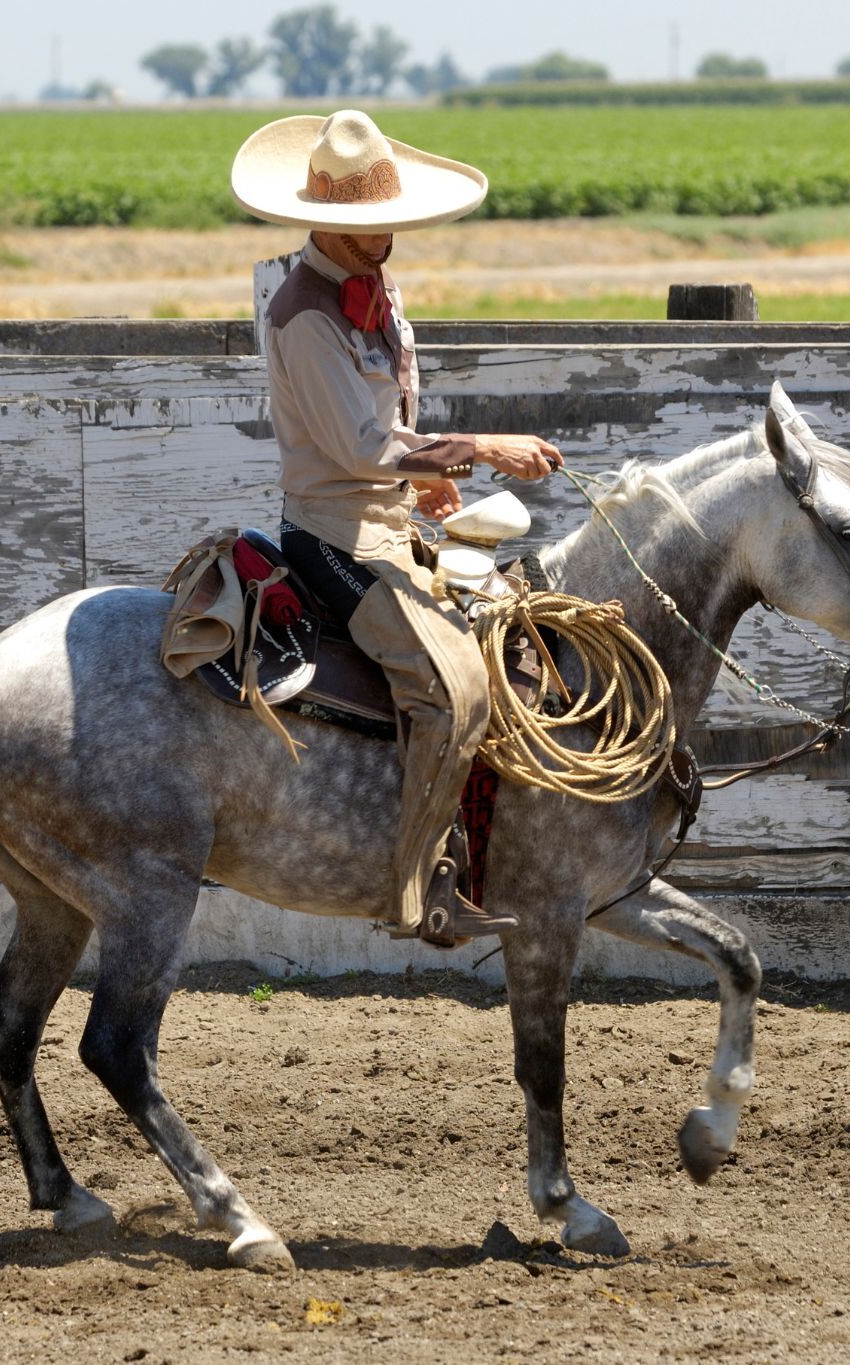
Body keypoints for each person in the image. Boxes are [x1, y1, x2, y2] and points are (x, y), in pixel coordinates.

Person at [229, 109, 561, 945]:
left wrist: (426, 489)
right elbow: (365, 445)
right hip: (332, 539)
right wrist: (478, 450)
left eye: (387, 220)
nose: (386, 234)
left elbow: (386, 438)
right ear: (331, 225)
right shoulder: (305, 314)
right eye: (370, 222)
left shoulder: (377, 296)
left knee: (509, 633)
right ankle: (422, 890)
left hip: (384, 522)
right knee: (448, 694)